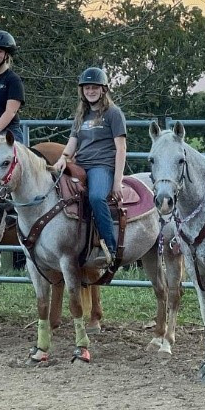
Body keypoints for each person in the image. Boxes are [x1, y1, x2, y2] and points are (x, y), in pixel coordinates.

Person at [55, 67, 126, 269]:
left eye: (95, 87)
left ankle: (110, 249)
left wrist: (117, 181)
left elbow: (121, 148)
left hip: (102, 166)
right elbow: (72, 143)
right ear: (82, 91)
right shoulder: (81, 115)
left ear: (103, 89)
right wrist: (63, 159)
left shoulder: (113, 113)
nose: (90, 91)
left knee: (96, 197)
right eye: (87, 88)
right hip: (80, 165)